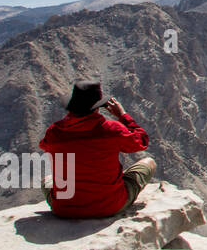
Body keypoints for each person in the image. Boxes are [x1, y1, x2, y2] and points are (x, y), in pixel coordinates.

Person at [39, 80, 157, 218]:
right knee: (148, 163)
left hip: (64, 210)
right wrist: (122, 116)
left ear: (72, 106)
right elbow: (141, 141)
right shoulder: (112, 130)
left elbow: (44, 145)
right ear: (97, 107)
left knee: (47, 179)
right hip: (109, 206)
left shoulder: (54, 132)